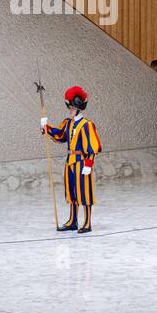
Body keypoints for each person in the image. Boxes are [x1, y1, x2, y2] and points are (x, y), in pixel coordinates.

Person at [43, 85, 100, 233]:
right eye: (70, 107)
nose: (70, 109)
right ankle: (72, 221)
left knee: (84, 192)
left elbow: (93, 146)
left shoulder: (87, 125)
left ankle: (87, 222)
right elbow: (60, 135)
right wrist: (46, 128)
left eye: (72, 107)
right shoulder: (68, 123)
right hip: (70, 162)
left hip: (81, 163)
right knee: (72, 192)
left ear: (78, 107)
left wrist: (89, 163)